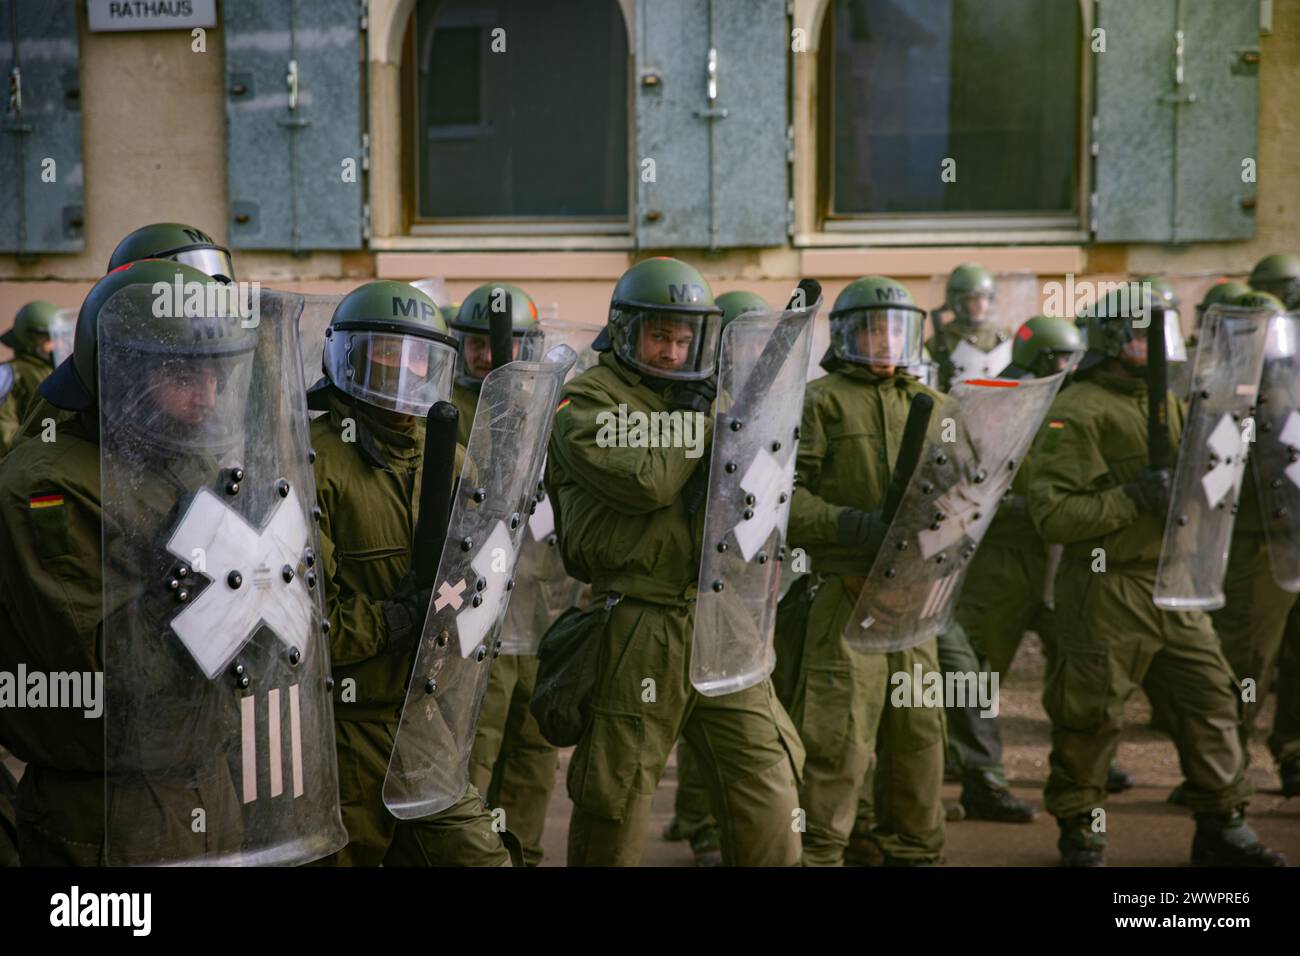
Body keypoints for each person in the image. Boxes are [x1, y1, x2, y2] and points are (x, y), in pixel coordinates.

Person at [0, 260, 345, 865]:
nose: (206, 398)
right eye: (183, 376)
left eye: (218, 377)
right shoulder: (46, 483)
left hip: (207, 775)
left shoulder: (184, 464)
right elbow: (99, 663)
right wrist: (184, 597)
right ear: (121, 372)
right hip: (111, 803)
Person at [544, 257, 804, 866]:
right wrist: (695, 412)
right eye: (661, 334)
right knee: (618, 800)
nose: (673, 350)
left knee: (768, 784)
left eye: (686, 337)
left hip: (720, 615)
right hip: (641, 621)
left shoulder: (706, 398)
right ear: (627, 330)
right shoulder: (586, 400)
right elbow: (648, 480)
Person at [1024, 284, 1286, 867]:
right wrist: (1128, 498)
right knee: (1092, 714)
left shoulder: (1173, 399)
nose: (1157, 344)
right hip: (1106, 585)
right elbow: (1053, 516)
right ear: (1114, 339)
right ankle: (1081, 831)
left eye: (1161, 332)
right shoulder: (1078, 410)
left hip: (1173, 582)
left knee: (1211, 700)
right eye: (1143, 333)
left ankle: (1222, 821)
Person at [306, 281, 512, 866]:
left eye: (414, 359)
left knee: (481, 857)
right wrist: (395, 621)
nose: (399, 376)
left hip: (423, 717)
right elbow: (301, 627)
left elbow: (476, 569)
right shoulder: (313, 462)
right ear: (347, 357)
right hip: (343, 724)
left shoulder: (447, 455)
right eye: (383, 356)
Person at [784, 275, 945, 866]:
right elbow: (778, 501)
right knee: (838, 739)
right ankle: (822, 853)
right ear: (848, 334)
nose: (886, 340)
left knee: (920, 736)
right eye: (873, 328)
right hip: (844, 595)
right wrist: (853, 526)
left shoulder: (935, 406)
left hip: (915, 599)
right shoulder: (818, 401)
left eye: (897, 328)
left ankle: (916, 851)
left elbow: (971, 489)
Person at [940, 314, 1086, 825]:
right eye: (1058, 359)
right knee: (975, 675)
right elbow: (968, 481)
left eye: (1072, 358)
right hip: (1001, 558)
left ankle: (1085, 763)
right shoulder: (997, 403)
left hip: (1056, 558)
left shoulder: (1075, 407)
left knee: (1079, 668)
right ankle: (979, 774)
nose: (1066, 368)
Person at [926, 263, 1011, 390]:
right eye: (973, 299)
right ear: (958, 301)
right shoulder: (939, 342)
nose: (981, 305)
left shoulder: (1005, 335)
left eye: (985, 298)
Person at [0, 301, 61, 452]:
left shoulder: (59, 370)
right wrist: (39, 448)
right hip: (23, 465)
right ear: (30, 339)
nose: (56, 345)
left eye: (58, 336)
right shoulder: (8, 373)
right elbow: (5, 432)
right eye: (48, 339)